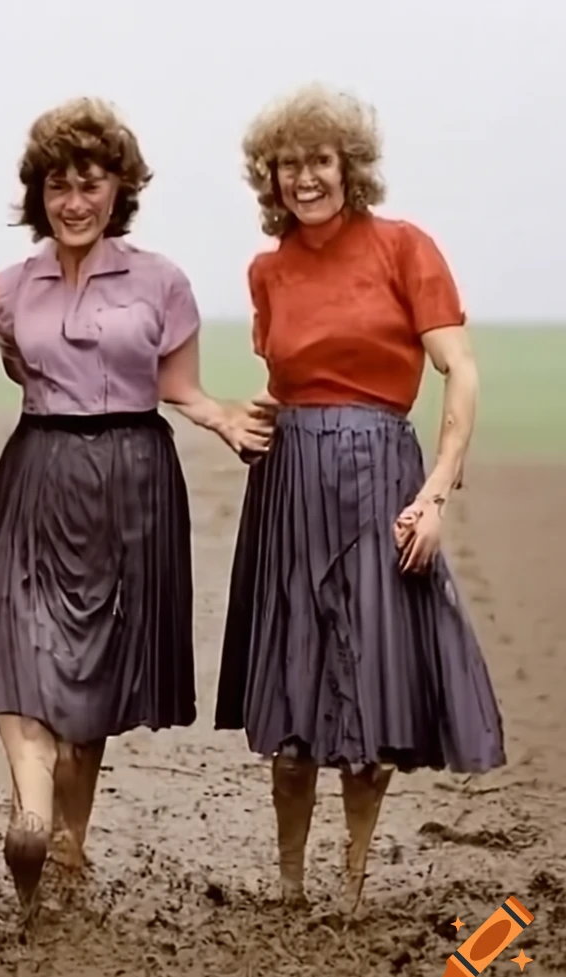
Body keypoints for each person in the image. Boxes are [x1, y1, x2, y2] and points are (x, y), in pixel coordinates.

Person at [0, 97, 277, 916]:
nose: (74, 201)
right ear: (38, 195)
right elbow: (5, 370)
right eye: (58, 185)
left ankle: (67, 840)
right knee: (20, 630)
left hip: (135, 472)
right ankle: (33, 804)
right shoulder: (3, 291)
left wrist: (221, 420)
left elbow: (175, 383)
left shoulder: (161, 280)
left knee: (99, 655)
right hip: (38, 466)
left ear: (118, 190)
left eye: (91, 183)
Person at [214, 85, 505, 915]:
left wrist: (436, 493)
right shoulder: (266, 270)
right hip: (291, 488)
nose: (305, 178)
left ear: (349, 167)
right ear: (270, 177)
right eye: (289, 164)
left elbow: (463, 370)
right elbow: (286, 381)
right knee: (293, 689)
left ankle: (352, 880)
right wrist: (250, 419)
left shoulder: (404, 247)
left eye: (320, 160)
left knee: (370, 689)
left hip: (382, 478)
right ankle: (291, 883)